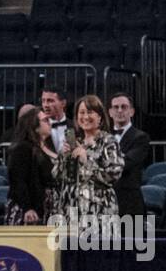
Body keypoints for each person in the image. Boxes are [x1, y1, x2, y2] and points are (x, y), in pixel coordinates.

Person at [51, 94, 123, 230]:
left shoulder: (108, 141)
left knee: (96, 251)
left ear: (100, 117)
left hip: (99, 211)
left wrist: (87, 159)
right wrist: (63, 157)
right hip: (70, 211)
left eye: (90, 112)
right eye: (81, 112)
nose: (85, 117)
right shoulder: (74, 141)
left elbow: (113, 175)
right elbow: (57, 176)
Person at [4, 107, 56, 225]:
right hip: (28, 210)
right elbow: (18, 180)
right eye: (45, 120)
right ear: (35, 126)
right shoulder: (22, 148)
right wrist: (27, 208)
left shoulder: (47, 146)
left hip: (46, 207)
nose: (50, 123)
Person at [109, 92, 150, 218]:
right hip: (107, 202)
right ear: (110, 112)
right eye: (116, 107)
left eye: (124, 107)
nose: (120, 110)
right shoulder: (104, 136)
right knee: (106, 238)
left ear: (131, 111)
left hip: (131, 203)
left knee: (133, 238)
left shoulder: (141, 137)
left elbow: (126, 163)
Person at [40, 87, 70, 152]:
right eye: (43, 101)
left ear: (63, 103)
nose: (45, 105)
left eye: (50, 101)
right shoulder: (39, 127)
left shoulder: (75, 126)